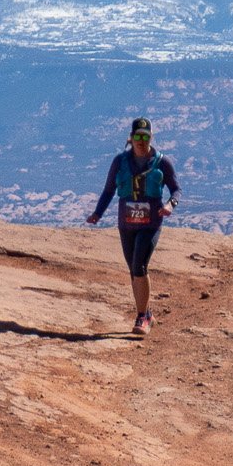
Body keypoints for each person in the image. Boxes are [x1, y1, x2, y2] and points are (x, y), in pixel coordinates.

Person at [85, 116, 181, 336]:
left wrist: (170, 205)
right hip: (126, 224)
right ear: (130, 138)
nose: (141, 140)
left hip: (151, 223)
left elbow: (176, 189)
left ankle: (141, 318)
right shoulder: (120, 161)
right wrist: (97, 214)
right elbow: (109, 190)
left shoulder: (162, 162)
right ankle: (146, 311)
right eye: (137, 136)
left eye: (145, 136)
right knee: (133, 270)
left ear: (150, 138)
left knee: (140, 266)